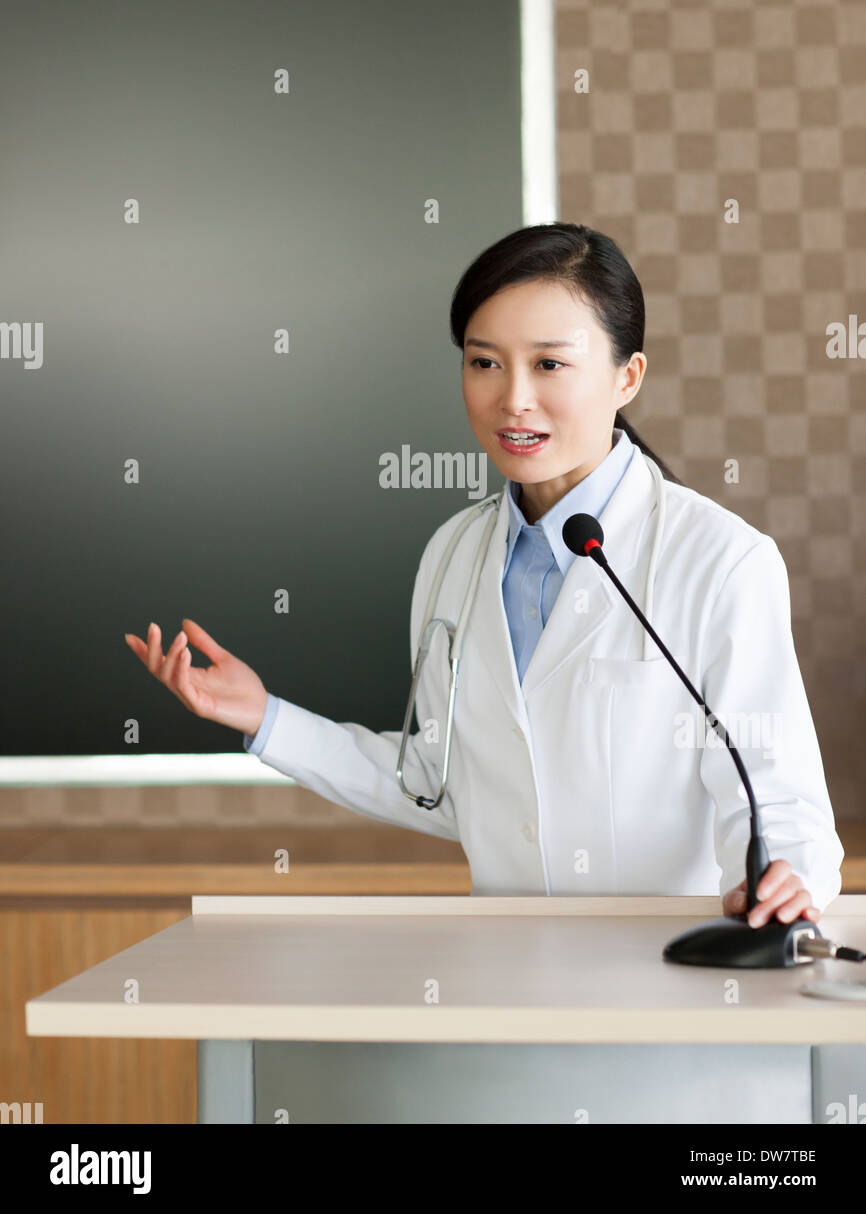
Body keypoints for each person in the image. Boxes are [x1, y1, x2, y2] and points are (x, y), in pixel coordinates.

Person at [125, 222, 844, 924]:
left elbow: (775, 804)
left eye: (550, 364)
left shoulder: (719, 559)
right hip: (506, 985)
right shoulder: (454, 554)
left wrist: (783, 883)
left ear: (628, 376)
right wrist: (263, 716)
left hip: (671, 990)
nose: (513, 399)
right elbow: (439, 784)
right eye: (484, 362)